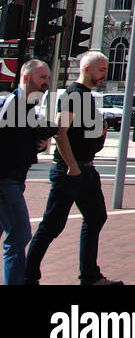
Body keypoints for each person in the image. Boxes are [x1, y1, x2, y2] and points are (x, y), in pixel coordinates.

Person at [24, 52, 122, 285]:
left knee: (96, 217)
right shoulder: (73, 96)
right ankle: (28, 277)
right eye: (101, 70)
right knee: (52, 225)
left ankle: (89, 276)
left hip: (86, 169)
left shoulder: (87, 97)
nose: (104, 75)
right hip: (71, 171)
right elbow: (60, 132)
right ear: (87, 69)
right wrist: (72, 166)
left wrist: (101, 132)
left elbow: (84, 134)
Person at [0, 60, 53, 285]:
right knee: (20, 234)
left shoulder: (27, 107)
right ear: (26, 77)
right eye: (42, 78)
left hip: (14, 178)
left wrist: (38, 142)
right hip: (5, 180)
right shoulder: (12, 104)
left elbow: (24, 138)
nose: (46, 83)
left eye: (47, 78)